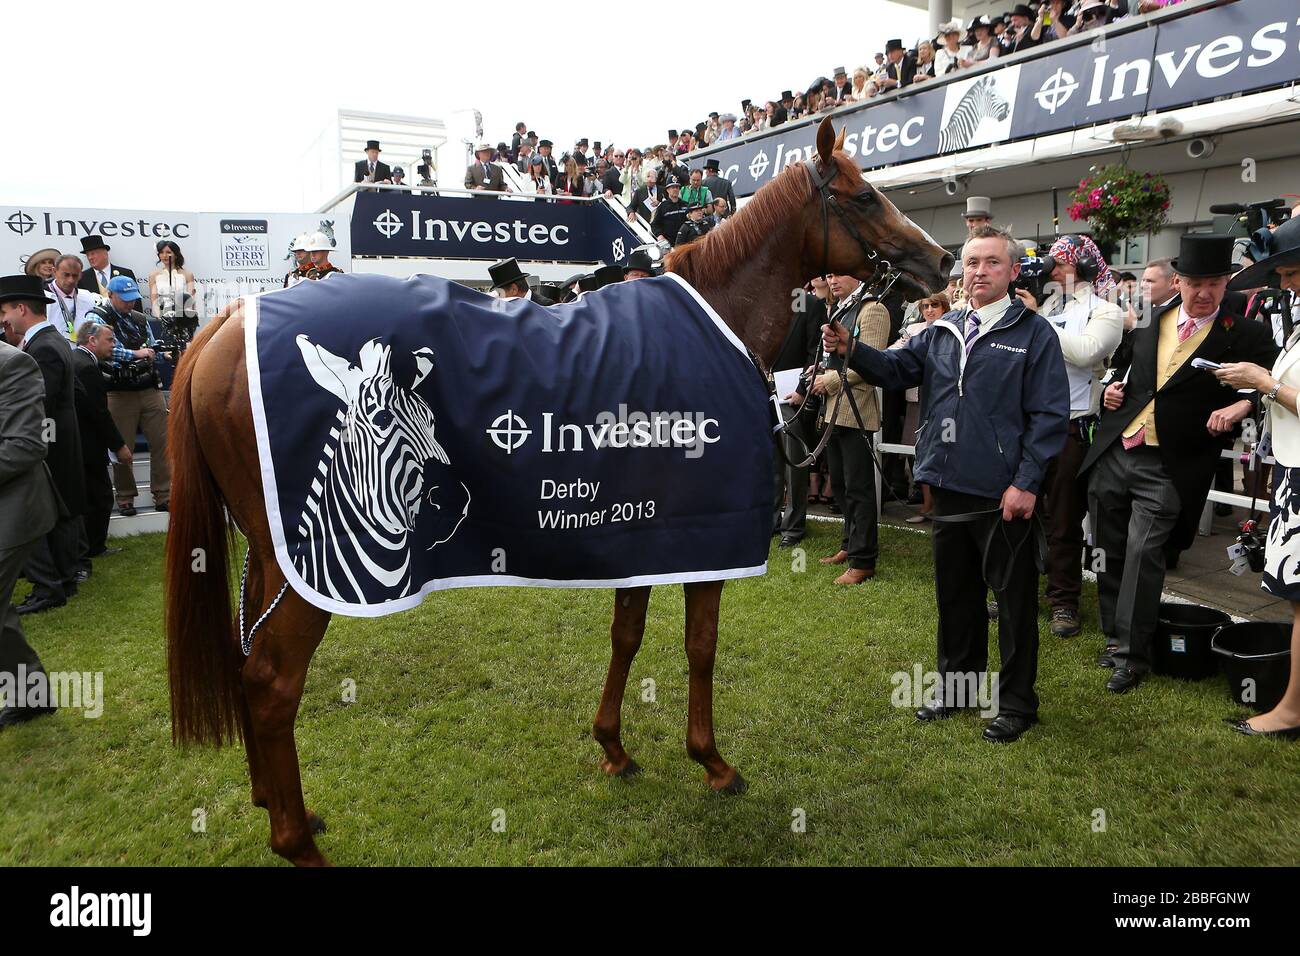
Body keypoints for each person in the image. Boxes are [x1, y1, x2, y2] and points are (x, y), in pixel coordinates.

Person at [822, 225, 1069, 742]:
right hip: (948, 483)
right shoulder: (943, 329)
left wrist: (1026, 483)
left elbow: (1049, 416)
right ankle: (958, 690)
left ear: (1012, 270)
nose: (978, 271)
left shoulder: (1033, 333)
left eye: (991, 263)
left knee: (1015, 601)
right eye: (972, 262)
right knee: (956, 596)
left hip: (1004, 493)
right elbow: (894, 370)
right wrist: (852, 349)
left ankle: (1018, 704)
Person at [1080, 235, 1278, 694]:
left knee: (1144, 553)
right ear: (1179, 282)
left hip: (1172, 461)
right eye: (1194, 283)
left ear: (1226, 283)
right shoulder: (1152, 317)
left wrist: (1241, 406)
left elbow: (1268, 382)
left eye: (1214, 283)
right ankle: (1114, 637)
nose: (1203, 292)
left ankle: (1132, 655)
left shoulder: (1245, 332)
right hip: (1117, 449)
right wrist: (1112, 388)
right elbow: (1123, 366)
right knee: (1107, 548)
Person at [1214, 216, 1300, 738]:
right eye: (1283, 276)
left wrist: (1263, 383)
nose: (1286, 287)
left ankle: (1290, 712)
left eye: (1292, 273)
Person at [1023, 235, 1124, 638]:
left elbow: (1085, 353)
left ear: (1082, 268)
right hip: (1031, 423)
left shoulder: (1107, 311)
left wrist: (1037, 321)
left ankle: (1063, 600)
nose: (1053, 272)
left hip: (1072, 424)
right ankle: (1019, 587)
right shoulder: (1042, 307)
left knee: (1063, 518)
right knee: (1022, 511)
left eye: (1061, 265)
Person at [0, 276, 84, 616]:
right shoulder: (51, 340)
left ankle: (53, 584)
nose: (2, 319)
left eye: (4, 311)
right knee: (58, 514)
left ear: (21, 309)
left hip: (50, 445)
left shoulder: (44, 347)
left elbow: (38, 408)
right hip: (56, 441)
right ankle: (63, 578)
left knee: (46, 514)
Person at [0, 279, 61, 727]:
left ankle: (31, 693)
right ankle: (31, 692)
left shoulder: (14, 365)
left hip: (13, 511)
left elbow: (25, 446)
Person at [811, 276, 891, 584]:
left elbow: (869, 362)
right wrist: (819, 372)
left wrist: (828, 381)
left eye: (838, 274)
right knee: (842, 486)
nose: (832, 280)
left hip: (856, 411)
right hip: (833, 410)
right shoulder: (842, 310)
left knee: (859, 489)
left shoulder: (873, 309)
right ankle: (849, 544)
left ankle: (864, 559)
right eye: (828, 275)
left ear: (857, 274)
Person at [94, 276, 169, 517]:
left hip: (148, 387)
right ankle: (125, 497)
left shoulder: (139, 318)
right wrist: (136, 354)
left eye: (133, 299)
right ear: (111, 296)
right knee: (122, 447)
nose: (130, 304)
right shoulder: (97, 317)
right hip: (119, 390)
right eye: (125, 299)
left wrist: (162, 353)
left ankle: (164, 493)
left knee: (162, 442)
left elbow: (151, 345)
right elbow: (105, 351)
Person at [71, 321, 129, 577]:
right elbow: (99, 413)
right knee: (101, 496)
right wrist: (119, 445)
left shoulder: (77, 361)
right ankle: (94, 547)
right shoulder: (86, 368)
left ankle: (92, 546)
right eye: (110, 340)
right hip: (88, 445)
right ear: (92, 341)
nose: (113, 345)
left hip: (80, 443)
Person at [897, 293, 950, 524]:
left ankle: (942, 507)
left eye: (934, 305)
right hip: (915, 399)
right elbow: (893, 353)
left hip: (942, 401)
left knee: (943, 453)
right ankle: (927, 506)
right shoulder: (914, 329)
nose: (929, 310)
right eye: (925, 306)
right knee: (919, 454)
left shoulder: (952, 326)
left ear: (944, 307)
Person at [47, 255, 97, 338]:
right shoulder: (43, 297)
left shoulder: (88, 297)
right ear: (54, 271)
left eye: (75, 276)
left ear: (80, 275)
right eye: (66, 275)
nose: (71, 280)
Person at [148, 240, 197, 320]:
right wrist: (161, 318)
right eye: (161, 252)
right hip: (163, 317)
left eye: (168, 252)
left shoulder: (188, 275)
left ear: (176, 254)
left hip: (184, 318)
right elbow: (154, 300)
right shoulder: (153, 275)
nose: (165, 255)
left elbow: (191, 299)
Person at [489, 258, 553, 305]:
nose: (498, 297)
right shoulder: (505, 309)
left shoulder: (545, 306)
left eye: (500, 293)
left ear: (513, 289)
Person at [651, 181, 688, 247]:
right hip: (670, 244)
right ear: (667, 190)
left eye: (677, 187)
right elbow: (654, 225)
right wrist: (660, 236)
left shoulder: (685, 205)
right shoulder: (663, 206)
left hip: (685, 242)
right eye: (673, 187)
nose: (675, 189)